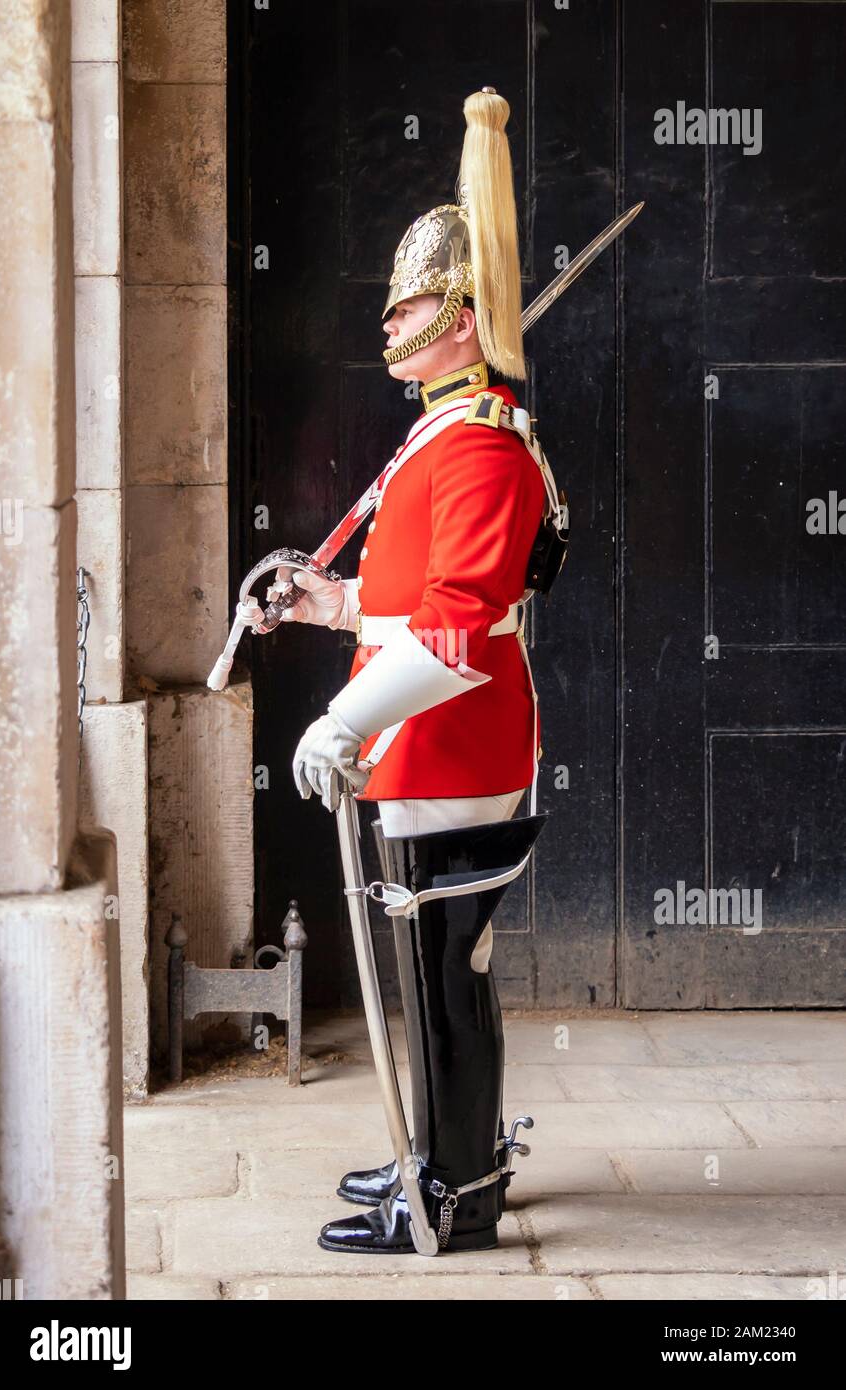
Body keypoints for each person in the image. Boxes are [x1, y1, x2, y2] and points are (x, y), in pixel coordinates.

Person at [274, 88, 553, 1254]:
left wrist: (342, 720)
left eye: (411, 302)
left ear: (461, 315)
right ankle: (438, 1158)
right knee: (425, 970)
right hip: (423, 746)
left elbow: (453, 629)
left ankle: (460, 1193)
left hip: (456, 749)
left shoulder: (484, 443)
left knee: (447, 976)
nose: (389, 320)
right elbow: (402, 605)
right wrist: (330, 603)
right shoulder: (441, 435)